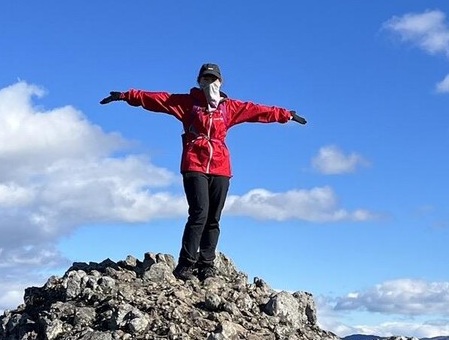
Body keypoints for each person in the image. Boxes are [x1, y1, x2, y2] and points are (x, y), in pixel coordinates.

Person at [101, 63, 307, 279]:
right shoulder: (187, 103)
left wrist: (287, 115)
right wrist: (125, 95)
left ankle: (207, 264)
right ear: (199, 82)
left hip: (221, 166)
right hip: (193, 163)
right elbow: (156, 99)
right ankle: (185, 265)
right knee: (199, 212)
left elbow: (257, 111)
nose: (210, 83)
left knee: (213, 217)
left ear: (220, 82)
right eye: (206, 79)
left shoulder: (229, 107)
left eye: (214, 79)